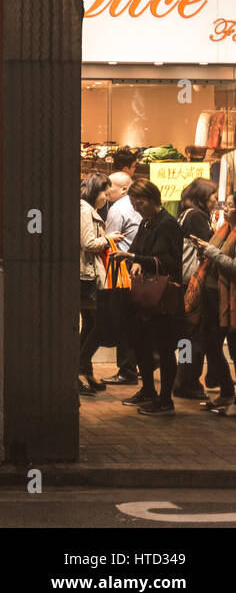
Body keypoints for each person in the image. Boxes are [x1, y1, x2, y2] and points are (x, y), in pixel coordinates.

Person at [122, 179, 184, 416]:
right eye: (133, 201)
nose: (136, 205)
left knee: (165, 348)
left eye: (140, 201)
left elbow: (166, 262)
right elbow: (141, 253)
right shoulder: (146, 223)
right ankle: (148, 390)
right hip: (146, 295)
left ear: (152, 199)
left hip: (163, 296)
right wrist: (136, 261)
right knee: (141, 343)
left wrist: (134, 256)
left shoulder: (166, 224)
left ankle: (165, 399)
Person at [174, 178, 218, 400]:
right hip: (194, 282)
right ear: (202, 195)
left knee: (186, 335)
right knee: (194, 335)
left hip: (184, 282)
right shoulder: (197, 216)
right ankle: (187, 381)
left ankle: (182, 379)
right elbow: (210, 248)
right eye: (213, 197)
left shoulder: (185, 212)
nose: (215, 201)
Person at [193, 190, 236, 415]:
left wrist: (210, 251)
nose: (225, 208)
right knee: (211, 345)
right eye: (225, 204)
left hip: (230, 300)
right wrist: (204, 250)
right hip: (213, 298)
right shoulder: (223, 229)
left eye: (231, 205)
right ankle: (227, 392)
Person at [103, 171, 143, 385]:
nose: (108, 191)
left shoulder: (118, 209)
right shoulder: (133, 206)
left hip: (122, 266)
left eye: (111, 187)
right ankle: (133, 366)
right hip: (134, 265)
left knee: (123, 318)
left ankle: (127, 369)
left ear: (125, 189)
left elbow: (109, 243)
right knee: (133, 318)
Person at [78, 174, 115, 395]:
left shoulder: (88, 210)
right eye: (105, 193)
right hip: (86, 276)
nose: (106, 198)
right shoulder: (84, 211)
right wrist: (111, 239)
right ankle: (80, 368)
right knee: (98, 324)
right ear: (95, 191)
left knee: (92, 324)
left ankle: (84, 370)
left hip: (89, 274)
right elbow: (88, 243)